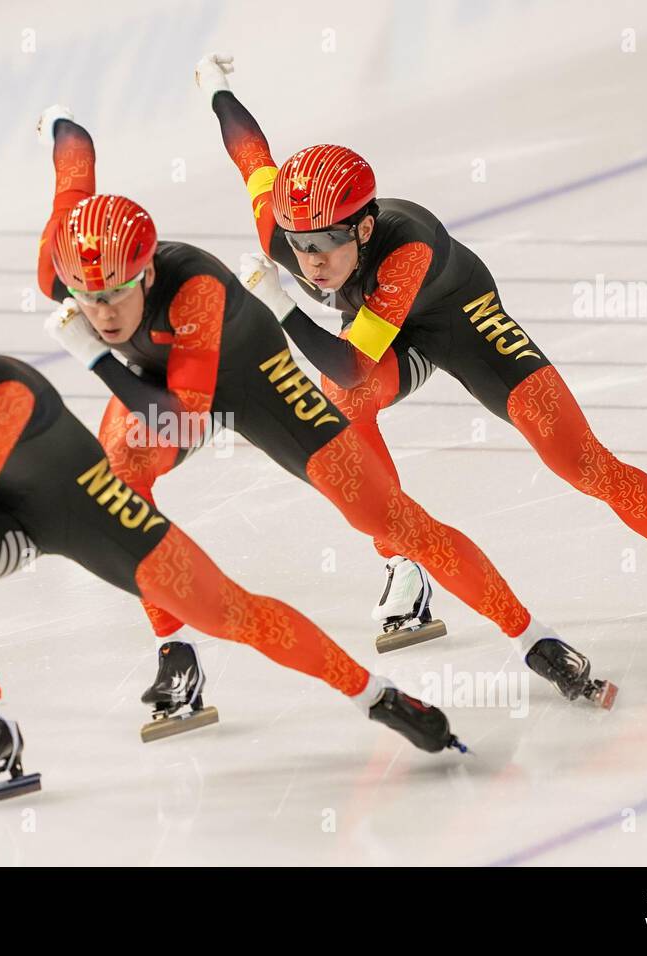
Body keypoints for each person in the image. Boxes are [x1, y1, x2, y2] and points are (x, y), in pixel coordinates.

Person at [0, 62, 464, 806]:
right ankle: (0, 717)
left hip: (87, 504)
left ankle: (375, 693)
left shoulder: (4, 400)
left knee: (235, 611)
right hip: (4, 504)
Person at [33, 104, 617, 725]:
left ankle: (532, 637)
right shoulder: (67, 273)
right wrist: (64, 127)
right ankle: (176, 650)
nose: (104, 311)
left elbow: (184, 415)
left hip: (253, 382)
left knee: (390, 519)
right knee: (119, 483)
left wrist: (96, 358)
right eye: (89, 298)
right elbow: (76, 182)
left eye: (119, 291)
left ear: (148, 272)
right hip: (158, 381)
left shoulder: (197, 288)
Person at [194, 52, 647, 635]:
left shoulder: (406, 247)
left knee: (577, 459)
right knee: (344, 404)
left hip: (459, 319)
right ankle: (403, 561)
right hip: (390, 333)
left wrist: (283, 306)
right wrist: (217, 88)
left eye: (326, 242)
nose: (310, 260)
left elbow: (348, 362)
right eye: (298, 243)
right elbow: (251, 157)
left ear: (364, 228)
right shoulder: (282, 231)